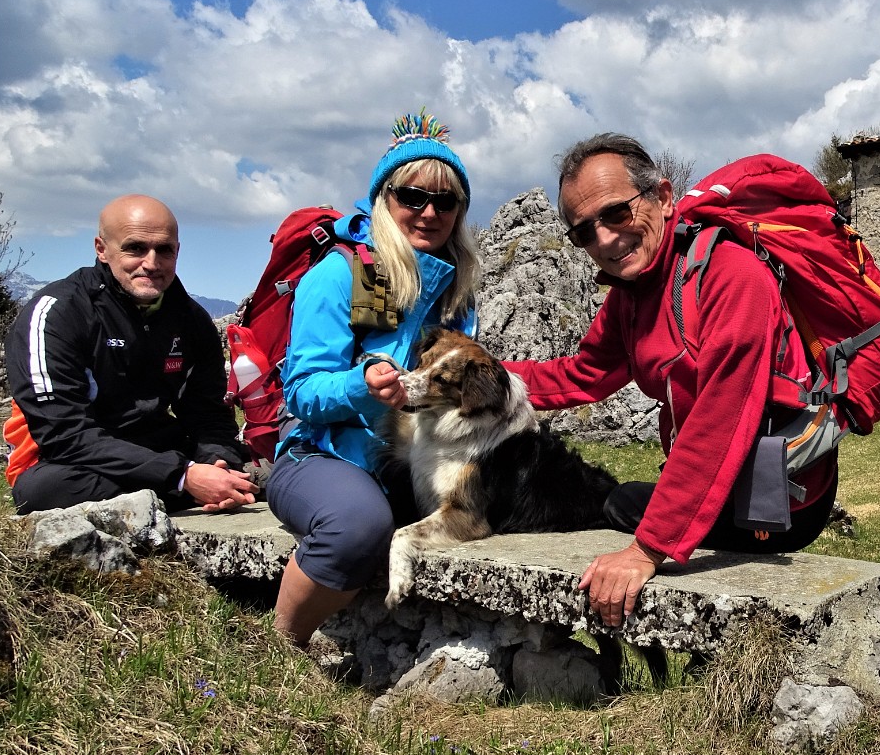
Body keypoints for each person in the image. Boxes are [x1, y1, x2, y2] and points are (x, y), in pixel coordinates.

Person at [505, 133, 839, 628]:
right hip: (724, 483)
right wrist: (482, 374)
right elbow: (584, 374)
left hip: (778, 503)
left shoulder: (734, 274)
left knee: (625, 513)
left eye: (617, 213)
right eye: (583, 233)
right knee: (619, 502)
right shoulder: (632, 293)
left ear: (662, 197)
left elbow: (719, 422)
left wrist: (646, 551)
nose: (603, 240)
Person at [266, 111, 480, 649]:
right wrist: (362, 385)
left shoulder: (457, 294)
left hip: (408, 461)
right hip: (318, 457)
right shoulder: (339, 274)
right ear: (384, 199)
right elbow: (301, 391)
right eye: (412, 197)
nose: (429, 212)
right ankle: (279, 650)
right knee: (356, 526)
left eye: (446, 201)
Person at [2, 195, 257, 514]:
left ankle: (214, 487)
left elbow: (210, 414)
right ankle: (183, 492)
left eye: (164, 249)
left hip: (156, 446)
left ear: (177, 251)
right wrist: (181, 476)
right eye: (135, 248)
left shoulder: (190, 318)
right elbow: (62, 433)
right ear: (102, 249)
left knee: (248, 463)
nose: (151, 263)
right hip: (69, 459)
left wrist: (218, 463)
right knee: (42, 492)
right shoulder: (57, 313)